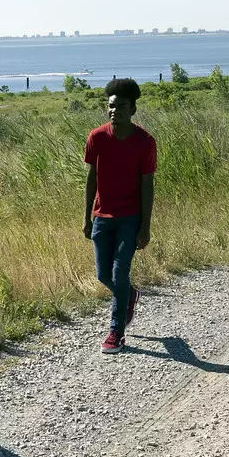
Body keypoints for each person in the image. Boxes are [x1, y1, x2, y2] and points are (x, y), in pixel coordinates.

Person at [84, 77, 156, 353]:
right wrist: (86, 218)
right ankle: (129, 295)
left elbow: (147, 184)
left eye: (121, 107)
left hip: (130, 217)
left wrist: (145, 226)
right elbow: (91, 178)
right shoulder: (97, 137)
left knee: (120, 270)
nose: (115, 111)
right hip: (102, 215)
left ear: (133, 109)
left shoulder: (144, 142)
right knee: (103, 274)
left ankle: (116, 333)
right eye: (111, 107)